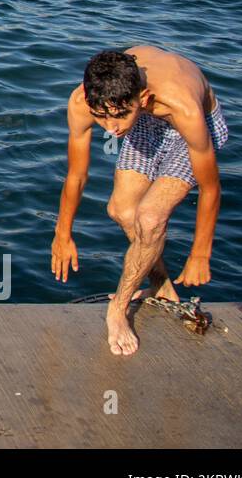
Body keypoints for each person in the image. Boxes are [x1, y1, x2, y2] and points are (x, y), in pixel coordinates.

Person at [51, 47, 228, 355]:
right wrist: (62, 234)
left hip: (190, 127)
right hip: (145, 122)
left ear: (143, 99)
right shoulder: (86, 103)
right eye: (102, 118)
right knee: (120, 210)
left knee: (149, 218)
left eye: (118, 118)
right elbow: (77, 175)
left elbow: (211, 186)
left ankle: (118, 309)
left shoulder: (183, 106)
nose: (111, 129)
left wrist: (200, 253)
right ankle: (161, 284)